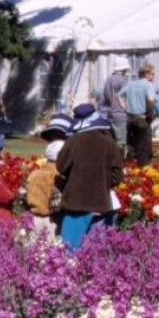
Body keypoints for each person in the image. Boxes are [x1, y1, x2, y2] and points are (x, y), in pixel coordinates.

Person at [56, 105, 123, 251]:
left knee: (69, 250)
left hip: (76, 202)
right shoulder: (109, 141)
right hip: (102, 202)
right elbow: (117, 175)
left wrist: (75, 178)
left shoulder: (75, 140)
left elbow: (61, 166)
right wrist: (102, 183)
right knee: (94, 254)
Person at [24, 114, 73, 237]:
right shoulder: (58, 176)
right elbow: (56, 203)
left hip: (34, 217)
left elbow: (22, 193)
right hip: (51, 219)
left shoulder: (34, 174)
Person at [119, 63, 157, 166]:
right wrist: (149, 116)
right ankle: (143, 170)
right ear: (147, 74)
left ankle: (130, 170)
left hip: (130, 118)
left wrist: (125, 108)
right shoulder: (149, 85)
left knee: (131, 145)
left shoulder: (131, 84)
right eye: (153, 74)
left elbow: (120, 96)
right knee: (144, 148)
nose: (154, 76)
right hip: (141, 119)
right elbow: (150, 101)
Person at [100, 58, 131, 151]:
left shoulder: (108, 79)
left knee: (112, 140)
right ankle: (119, 162)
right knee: (121, 142)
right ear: (124, 68)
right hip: (121, 113)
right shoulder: (123, 80)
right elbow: (126, 97)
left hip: (110, 113)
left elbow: (105, 96)